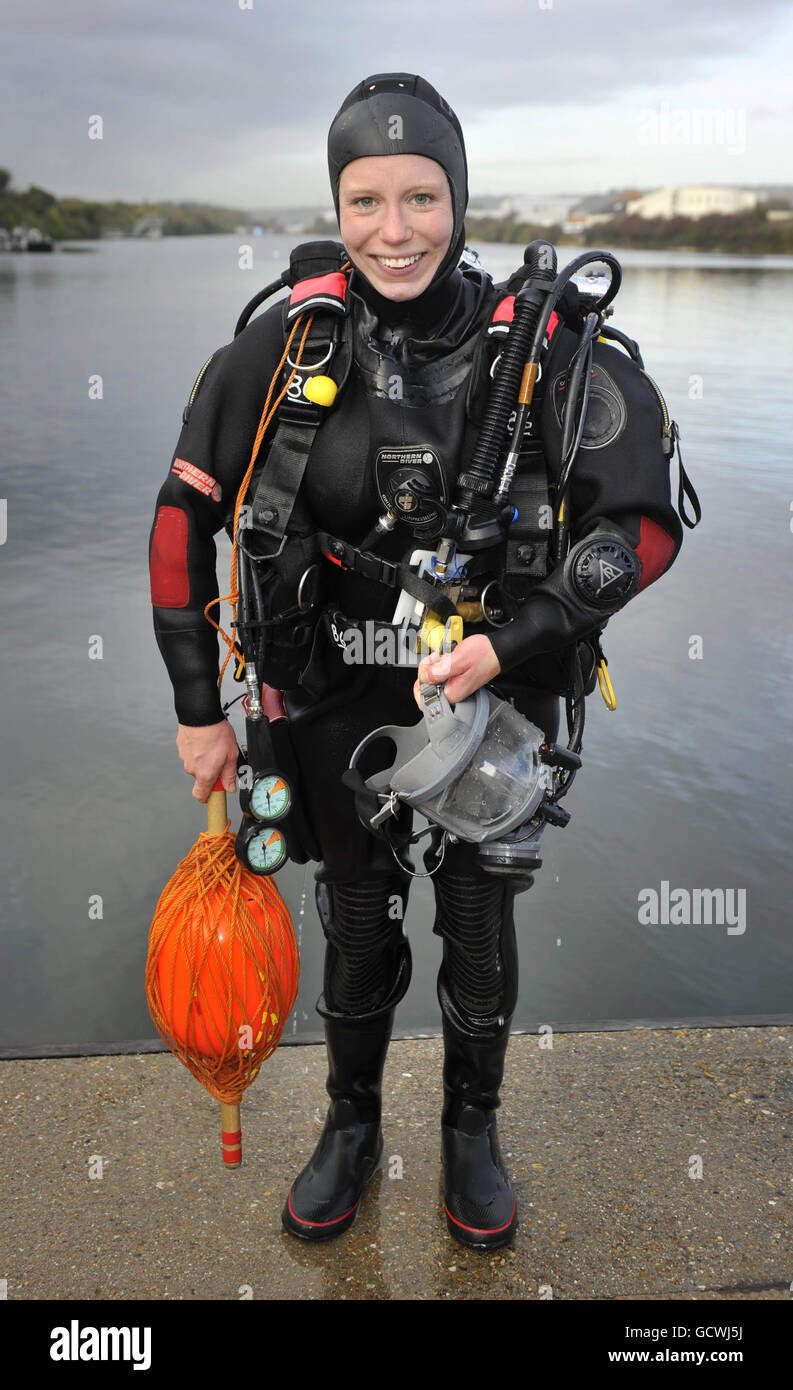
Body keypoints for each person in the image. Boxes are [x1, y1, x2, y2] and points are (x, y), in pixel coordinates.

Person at [148, 73, 694, 1250]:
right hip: (333, 705)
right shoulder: (280, 356)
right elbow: (175, 518)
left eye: (421, 197)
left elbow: (643, 528)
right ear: (335, 204)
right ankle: (350, 1124)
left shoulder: (544, 357)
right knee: (356, 927)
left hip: (494, 706)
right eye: (364, 200)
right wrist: (200, 707)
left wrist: (517, 634)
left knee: (480, 930)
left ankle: (470, 1131)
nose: (393, 231)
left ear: (459, 198)